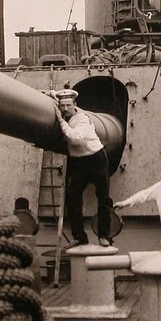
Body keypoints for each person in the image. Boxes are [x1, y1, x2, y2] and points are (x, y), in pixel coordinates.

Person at [54, 89, 112, 247]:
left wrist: (60, 120)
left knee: (103, 198)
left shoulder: (82, 119)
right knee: (72, 197)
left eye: (68, 105)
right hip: (79, 162)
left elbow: (75, 138)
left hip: (96, 159)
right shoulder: (67, 113)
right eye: (62, 106)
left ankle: (104, 236)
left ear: (75, 105)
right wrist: (50, 93)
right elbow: (55, 96)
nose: (65, 109)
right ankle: (79, 237)